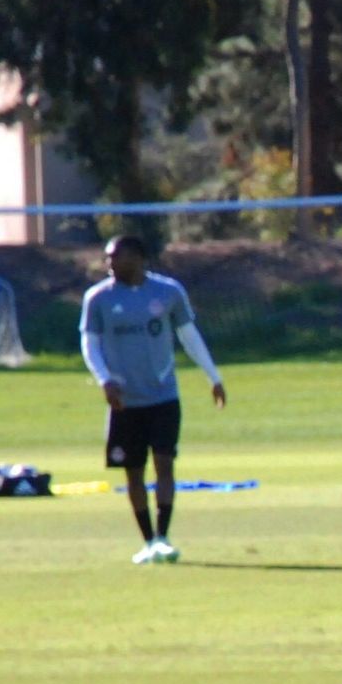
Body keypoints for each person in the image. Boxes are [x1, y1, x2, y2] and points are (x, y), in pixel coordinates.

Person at [79, 234, 223, 564]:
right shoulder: (98, 298)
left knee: (164, 464)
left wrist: (213, 377)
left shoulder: (168, 292)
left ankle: (164, 537)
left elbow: (189, 336)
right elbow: (90, 344)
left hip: (163, 396)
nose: (110, 264)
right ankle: (147, 541)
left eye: (117, 257)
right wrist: (105, 380)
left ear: (139, 258)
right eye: (107, 258)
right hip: (124, 401)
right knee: (132, 472)